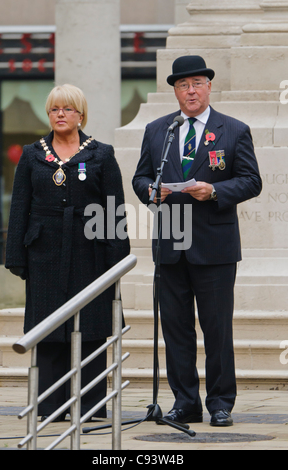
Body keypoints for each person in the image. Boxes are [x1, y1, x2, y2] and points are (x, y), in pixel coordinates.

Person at [132, 56, 262, 427]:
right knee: (176, 329)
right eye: (182, 85)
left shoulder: (233, 130)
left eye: (197, 83)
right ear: (174, 91)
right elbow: (141, 177)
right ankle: (185, 402)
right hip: (170, 244)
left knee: (217, 328)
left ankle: (220, 402)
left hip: (214, 246)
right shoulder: (160, 130)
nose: (191, 91)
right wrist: (150, 192)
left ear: (209, 86)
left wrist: (215, 190)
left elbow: (252, 181)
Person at [6, 84, 130, 421]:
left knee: (90, 328)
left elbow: (113, 208)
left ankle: (90, 408)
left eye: (67, 109)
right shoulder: (33, 154)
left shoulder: (101, 153)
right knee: (48, 330)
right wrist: (15, 255)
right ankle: (49, 408)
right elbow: (20, 206)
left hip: (91, 252)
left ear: (81, 115)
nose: (60, 115)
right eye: (54, 109)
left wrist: (117, 259)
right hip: (43, 252)